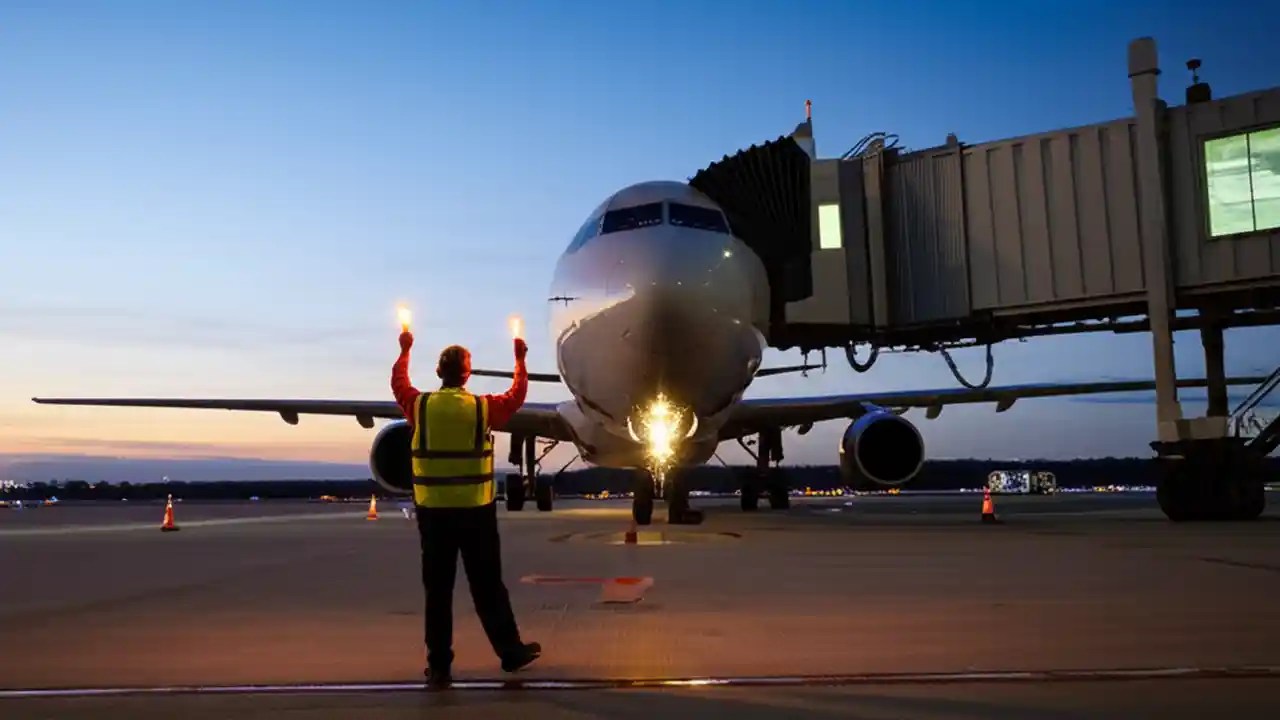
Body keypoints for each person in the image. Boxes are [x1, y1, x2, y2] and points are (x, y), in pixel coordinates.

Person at [392, 329, 541, 687]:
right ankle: (510, 652)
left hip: (433, 515)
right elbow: (516, 396)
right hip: (476, 513)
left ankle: (439, 665)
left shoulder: (421, 406)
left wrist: (405, 350)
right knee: (488, 587)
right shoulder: (481, 408)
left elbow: (399, 383)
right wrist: (520, 359)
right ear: (466, 374)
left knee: (438, 593)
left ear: (440, 372)